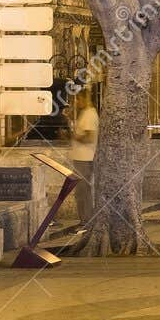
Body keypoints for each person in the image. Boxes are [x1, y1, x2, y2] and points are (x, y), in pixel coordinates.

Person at [69, 86, 99, 224]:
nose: (76, 103)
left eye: (78, 99)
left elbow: (89, 138)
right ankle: (86, 219)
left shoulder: (89, 114)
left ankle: (86, 220)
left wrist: (74, 136)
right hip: (81, 157)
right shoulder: (86, 114)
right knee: (82, 191)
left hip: (84, 158)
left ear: (85, 99)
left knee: (83, 191)